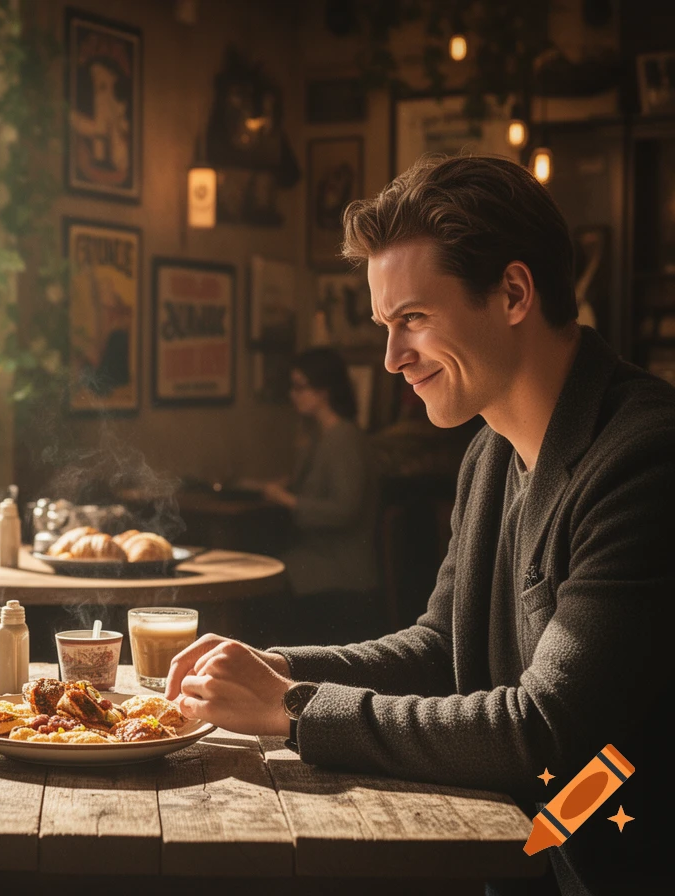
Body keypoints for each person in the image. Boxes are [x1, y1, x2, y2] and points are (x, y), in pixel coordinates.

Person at [165, 156, 671, 895]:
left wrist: (292, 709)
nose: (392, 358)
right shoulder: (489, 454)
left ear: (514, 293)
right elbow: (439, 650)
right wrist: (277, 669)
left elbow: (546, 730)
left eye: (413, 320)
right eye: (386, 326)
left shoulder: (646, 458)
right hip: (520, 858)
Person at [248, 347, 378, 600]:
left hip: (340, 565)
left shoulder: (343, 438)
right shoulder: (320, 436)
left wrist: (286, 499)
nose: (292, 394)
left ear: (323, 390)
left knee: (263, 577)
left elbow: (345, 510)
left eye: (300, 387)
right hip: (318, 556)